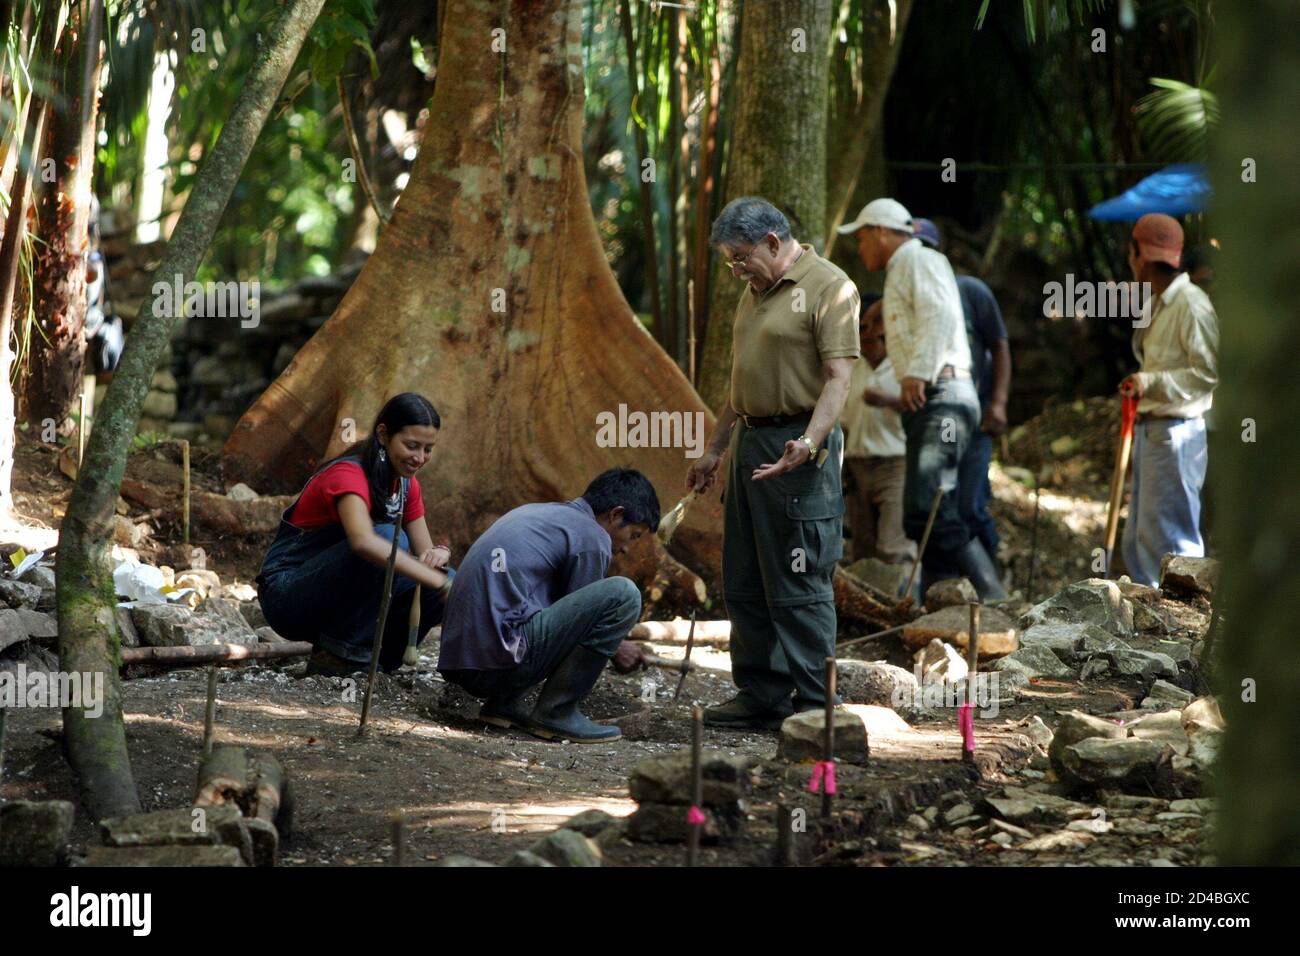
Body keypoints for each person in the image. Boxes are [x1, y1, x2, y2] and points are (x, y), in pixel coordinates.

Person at [688, 196, 860, 730]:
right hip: (750, 443)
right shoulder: (753, 292)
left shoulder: (831, 287)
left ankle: (814, 706)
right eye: (729, 262)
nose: (737, 270)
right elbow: (742, 383)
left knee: (799, 578)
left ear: (773, 242)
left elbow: (839, 378)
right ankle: (761, 692)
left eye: (742, 258)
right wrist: (715, 450)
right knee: (744, 576)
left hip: (799, 446)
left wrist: (807, 444)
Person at [840, 198, 1006, 600]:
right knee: (923, 517)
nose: (860, 250)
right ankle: (938, 604)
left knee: (931, 509)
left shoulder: (916, 260)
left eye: (862, 239)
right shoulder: (903, 267)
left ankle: (995, 597)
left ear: (881, 231)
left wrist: (916, 373)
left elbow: (938, 316)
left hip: (943, 396)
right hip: (929, 399)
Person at [437, 469, 656, 743]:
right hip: (493, 665)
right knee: (624, 594)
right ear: (615, 514)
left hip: (463, 662)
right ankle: (557, 713)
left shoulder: (543, 515)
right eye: (634, 535)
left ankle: (505, 704)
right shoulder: (592, 536)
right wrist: (618, 647)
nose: (626, 549)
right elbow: (584, 625)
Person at [256, 393, 453, 675]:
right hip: (289, 596)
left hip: (342, 597)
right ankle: (338, 657)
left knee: (447, 580)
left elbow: (424, 555)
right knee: (386, 538)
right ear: (383, 434)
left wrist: (439, 557)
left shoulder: (408, 486)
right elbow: (364, 542)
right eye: (411, 446)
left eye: (428, 449)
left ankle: (379, 662)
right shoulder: (349, 475)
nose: (419, 458)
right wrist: (437, 580)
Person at [1119, 214, 1219, 587]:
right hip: (1155, 431)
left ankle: (1181, 632)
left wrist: (1149, 381)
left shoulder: (1190, 304)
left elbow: (1207, 374)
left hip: (1176, 432)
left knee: (1172, 544)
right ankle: (1153, 632)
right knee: (1142, 542)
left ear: (1139, 254)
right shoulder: (1160, 302)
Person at [914, 218, 1011, 573]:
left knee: (970, 504)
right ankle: (946, 588)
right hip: (930, 423)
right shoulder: (908, 301)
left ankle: (993, 581)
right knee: (937, 508)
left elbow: (1000, 346)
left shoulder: (969, 291)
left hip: (975, 416)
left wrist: (998, 403)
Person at [840, 295, 916, 571]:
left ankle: (904, 604)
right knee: (863, 545)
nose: (865, 334)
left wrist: (887, 400)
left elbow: (921, 410)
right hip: (858, 464)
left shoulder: (905, 368)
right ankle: (870, 609)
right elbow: (844, 422)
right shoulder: (853, 368)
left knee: (893, 545)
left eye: (871, 329)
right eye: (862, 328)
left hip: (894, 464)